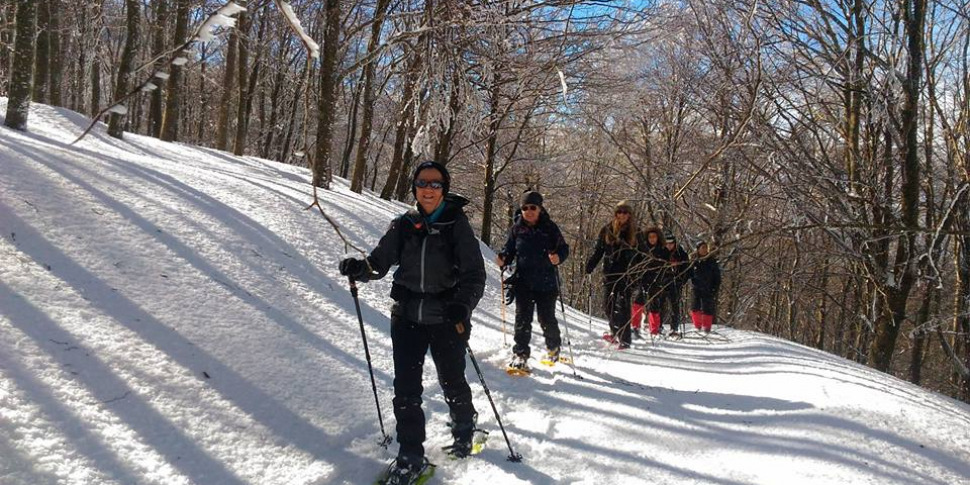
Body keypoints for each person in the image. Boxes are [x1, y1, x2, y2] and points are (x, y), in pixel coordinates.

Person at [338, 161, 486, 482]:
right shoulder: (403, 224)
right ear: (414, 187)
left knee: (451, 379)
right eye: (422, 183)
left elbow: (475, 274)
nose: (428, 189)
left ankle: (464, 426)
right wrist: (359, 269)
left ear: (444, 188)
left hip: (447, 318)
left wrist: (463, 305)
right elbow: (379, 263)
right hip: (406, 318)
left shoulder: (456, 225)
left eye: (435, 184)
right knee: (406, 390)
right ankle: (410, 456)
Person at [497, 191, 569, 370]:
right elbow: (509, 250)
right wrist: (503, 258)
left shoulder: (549, 227)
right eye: (525, 208)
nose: (529, 211)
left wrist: (558, 257)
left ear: (539, 208)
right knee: (522, 319)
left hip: (547, 282)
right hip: (524, 282)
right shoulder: (517, 229)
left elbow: (564, 248)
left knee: (546, 318)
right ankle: (520, 354)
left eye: (532, 207)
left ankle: (554, 348)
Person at [584, 201, 642, 349]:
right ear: (615, 214)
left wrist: (638, 271)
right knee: (608, 306)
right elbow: (599, 251)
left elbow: (644, 254)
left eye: (625, 212)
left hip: (628, 275)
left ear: (629, 215)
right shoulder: (607, 230)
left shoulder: (637, 232)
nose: (622, 215)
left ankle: (625, 339)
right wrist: (590, 266)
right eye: (619, 212)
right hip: (610, 273)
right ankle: (616, 332)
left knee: (623, 307)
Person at [633, 227, 668, 337]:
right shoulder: (642, 249)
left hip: (656, 280)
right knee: (638, 301)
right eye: (650, 237)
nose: (652, 239)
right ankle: (635, 326)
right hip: (642, 279)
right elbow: (636, 263)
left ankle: (654, 329)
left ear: (658, 238)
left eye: (654, 237)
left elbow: (664, 266)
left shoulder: (663, 250)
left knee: (654, 304)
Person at [659, 231, 689, 336]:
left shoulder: (681, 253)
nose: (669, 245)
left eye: (671, 243)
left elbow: (687, 269)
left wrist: (681, 280)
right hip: (662, 282)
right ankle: (658, 326)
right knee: (660, 304)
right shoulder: (661, 253)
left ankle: (674, 328)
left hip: (676, 282)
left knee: (675, 305)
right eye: (667, 243)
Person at [689, 241, 721, 333]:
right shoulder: (693, 261)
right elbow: (688, 273)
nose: (704, 250)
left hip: (709, 288)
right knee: (695, 307)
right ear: (698, 249)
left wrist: (715, 288)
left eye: (705, 248)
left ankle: (707, 327)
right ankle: (697, 326)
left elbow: (717, 276)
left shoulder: (712, 261)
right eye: (702, 248)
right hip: (696, 287)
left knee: (708, 308)